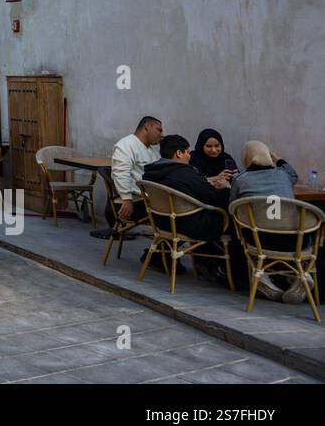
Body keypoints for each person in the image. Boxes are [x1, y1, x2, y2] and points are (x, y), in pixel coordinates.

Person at [140, 134, 239, 284]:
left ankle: (201, 261)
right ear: (179, 153)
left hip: (162, 220)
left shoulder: (151, 171)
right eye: (187, 152)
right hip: (188, 224)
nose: (189, 156)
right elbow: (212, 197)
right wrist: (225, 189)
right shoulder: (185, 173)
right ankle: (232, 272)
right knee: (231, 218)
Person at [228, 141, 311, 303]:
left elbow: (233, 206)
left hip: (260, 241)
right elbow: (293, 174)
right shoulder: (283, 175)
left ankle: (260, 275)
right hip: (294, 242)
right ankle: (300, 274)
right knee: (308, 231)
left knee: (238, 226)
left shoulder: (240, 180)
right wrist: (278, 159)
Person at [110, 115, 163, 224]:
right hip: (137, 200)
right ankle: (165, 240)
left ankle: (166, 240)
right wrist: (127, 199)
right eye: (159, 130)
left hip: (152, 199)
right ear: (147, 126)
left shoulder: (153, 151)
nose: (161, 135)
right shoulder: (126, 145)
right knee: (176, 217)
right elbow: (121, 173)